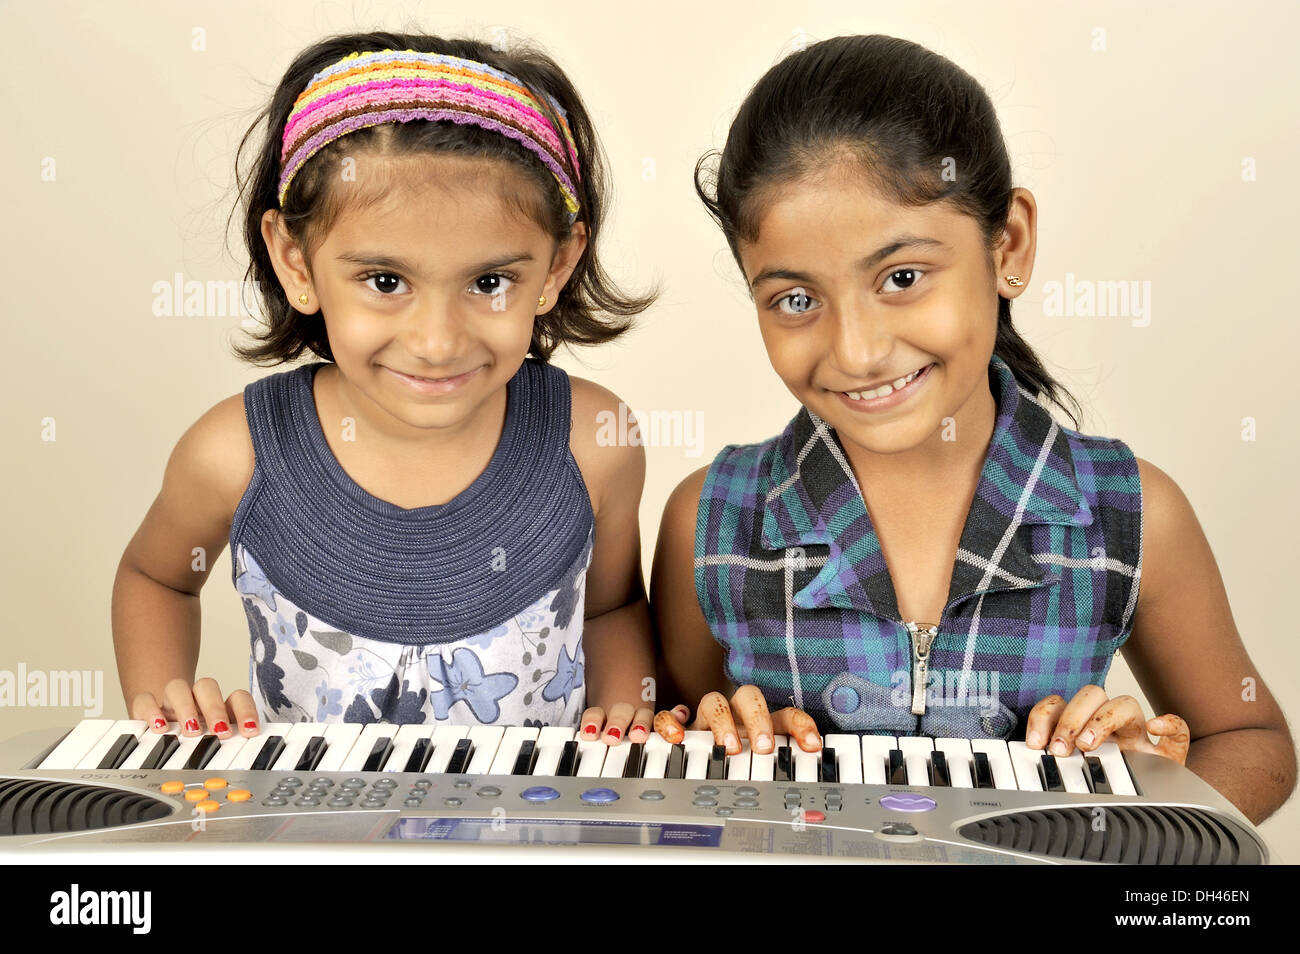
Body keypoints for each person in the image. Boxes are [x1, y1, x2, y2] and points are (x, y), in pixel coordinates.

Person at [650, 34, 1294, 824]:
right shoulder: (709, 521)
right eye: (795, 299)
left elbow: (1254, 739)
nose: (856, 351)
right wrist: (716, 744)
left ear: (1008, 245)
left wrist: (1140, 796)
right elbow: (669, 747)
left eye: (903, 278)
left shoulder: (1130, 513)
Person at [113, 33, 660, 748]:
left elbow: (611, 608)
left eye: (489, 283)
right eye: (385, 281)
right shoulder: (233, 454)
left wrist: (624, 714)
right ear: (295, 260)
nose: (437, 341)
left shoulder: (593, 444)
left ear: (557, 266)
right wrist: (167, 716)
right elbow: (156, 578)